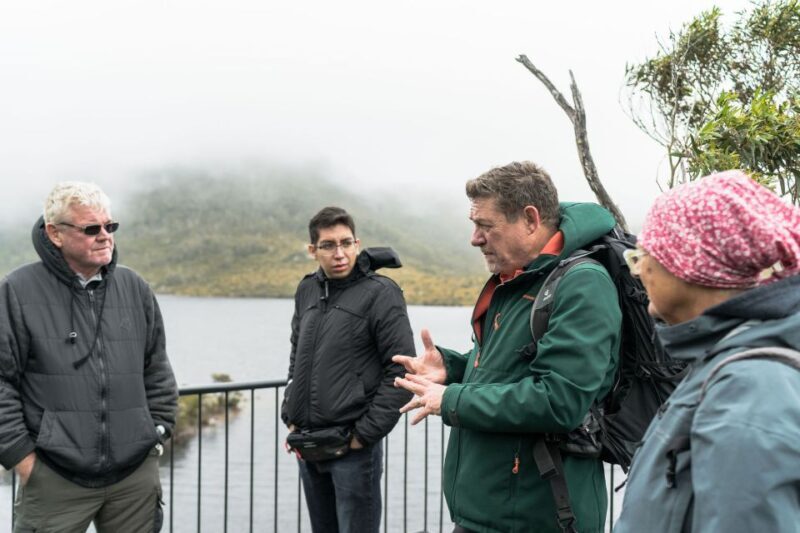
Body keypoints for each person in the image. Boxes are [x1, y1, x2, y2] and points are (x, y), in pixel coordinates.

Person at [394, 161, 622, 533]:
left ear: (530, 219)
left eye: (485, 226)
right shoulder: (517, 280)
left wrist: (451, 399)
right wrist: (451, 368)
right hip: (489, 514)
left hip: (540, 516)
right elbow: (513, 369)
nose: (475, 238)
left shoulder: (582, 285)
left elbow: (558, 399)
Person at [613, 170, 800, 532]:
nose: (639, 272)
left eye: (643, 257)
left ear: (691, 264)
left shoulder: (750, 392)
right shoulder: (727, 362)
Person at [0, 182, 178, 532]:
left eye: (109, 226)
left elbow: (156, 367)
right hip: (54, 477)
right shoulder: (17, 291)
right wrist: (21, 457)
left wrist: (157, 430)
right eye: (91, 228)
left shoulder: (134, 288)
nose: (105, 237)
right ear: (55, 233)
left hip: (134, 478)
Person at [281, 206, 415, 533]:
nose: (339, 253)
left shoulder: (381, 293)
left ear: (357, 243)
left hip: (354, 452)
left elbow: (400, 371)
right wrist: (292, 415)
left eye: (346, 243)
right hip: (309, 444)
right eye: (328, 245)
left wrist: (363, 436)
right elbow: (297, 355)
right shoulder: (307, 289)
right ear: (313, 250)